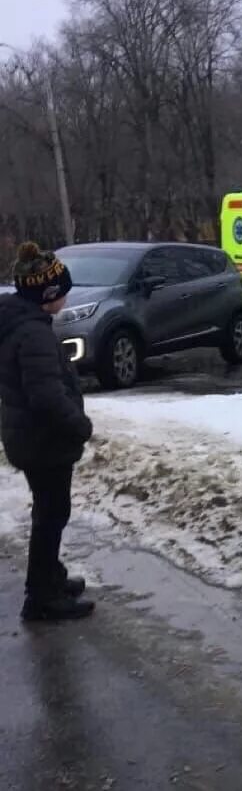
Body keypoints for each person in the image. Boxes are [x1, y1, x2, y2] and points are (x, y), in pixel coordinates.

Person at [0, 242, 95, 621]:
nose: (67, 296)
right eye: (63, 290)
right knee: (52, 514)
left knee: (50, 510)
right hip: (43, 440)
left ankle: (50, 577)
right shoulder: (33, 333)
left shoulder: (21, 322)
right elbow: (45, 395)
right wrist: (79, 424)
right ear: (48, 294)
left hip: (32, 437)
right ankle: (41, 597)